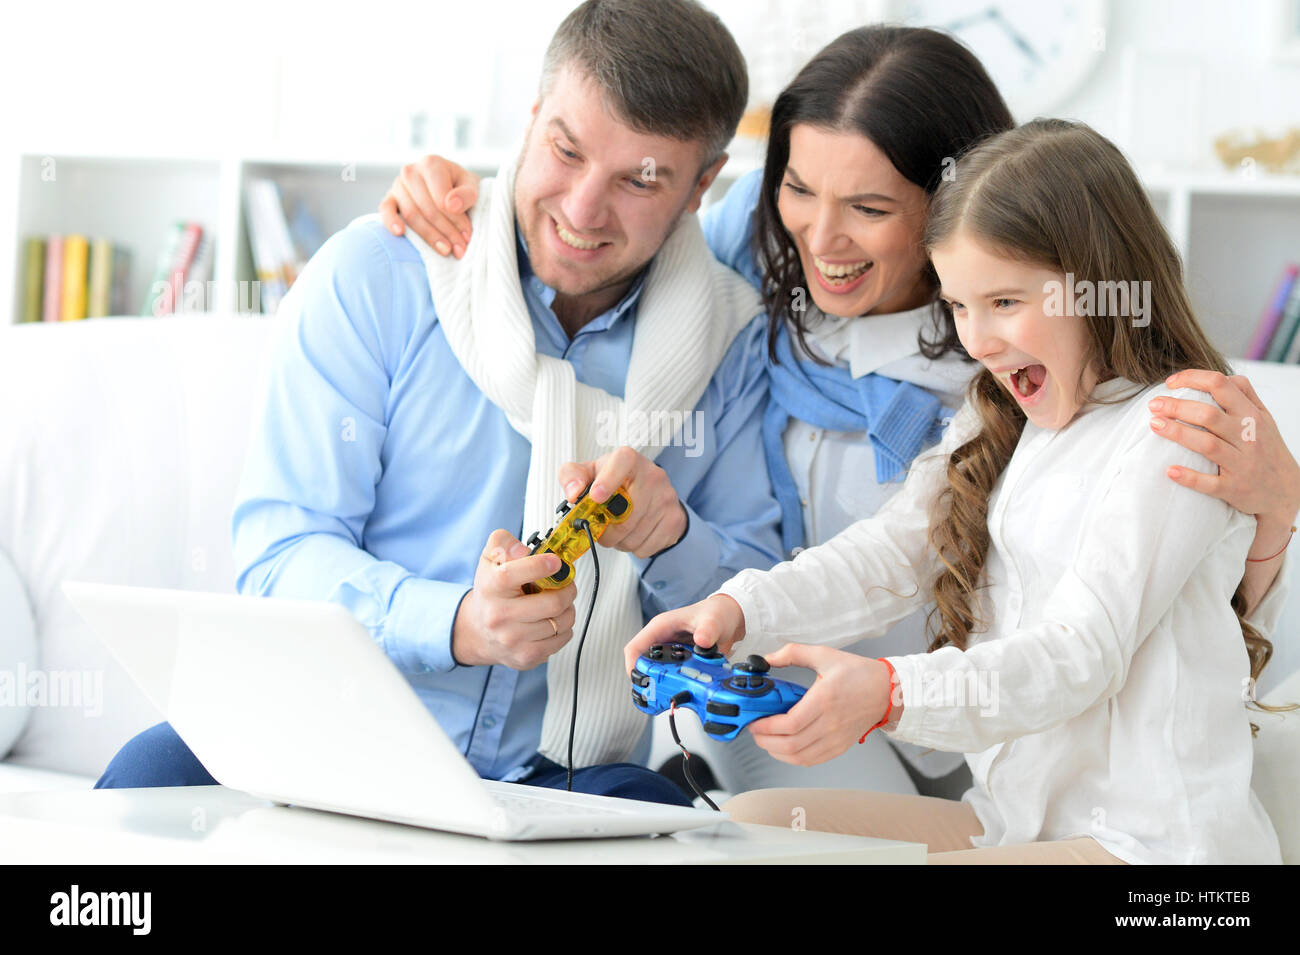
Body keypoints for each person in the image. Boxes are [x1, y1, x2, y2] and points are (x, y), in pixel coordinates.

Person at [377, 25, 1298, 801]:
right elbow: (888, 552)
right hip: (814, 711)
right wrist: (477, 206)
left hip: (984, 750)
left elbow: (1140, 634)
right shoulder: (768, 277)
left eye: (867, 206)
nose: (820, 237)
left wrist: (1277, 513)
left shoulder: (1074, 393)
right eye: (800, 191)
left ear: (950, 213)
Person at [93, 0, 784, 806]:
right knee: (150, 782)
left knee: (665, 820)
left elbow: (756, 604)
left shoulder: (729, 339)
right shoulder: (376, 276)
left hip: (563, 771)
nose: (583, 210)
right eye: (565, 150)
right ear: (530, 122)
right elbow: (282, 553)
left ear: (702, 185)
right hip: (323, 731)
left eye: (642, 179)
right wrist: (454, 622)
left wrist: (673, 539)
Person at [626, 118, 1298, 864]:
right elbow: (889, 553)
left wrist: (889, 693)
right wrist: (738, 609)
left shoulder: (1177, 425)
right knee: (748, 827)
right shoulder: (1006, 412)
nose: (976, 339)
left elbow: (1082, 655)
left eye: (1005, 302)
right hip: (1008, 822)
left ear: (1102, 282)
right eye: (959, 305)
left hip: (1153, 852)